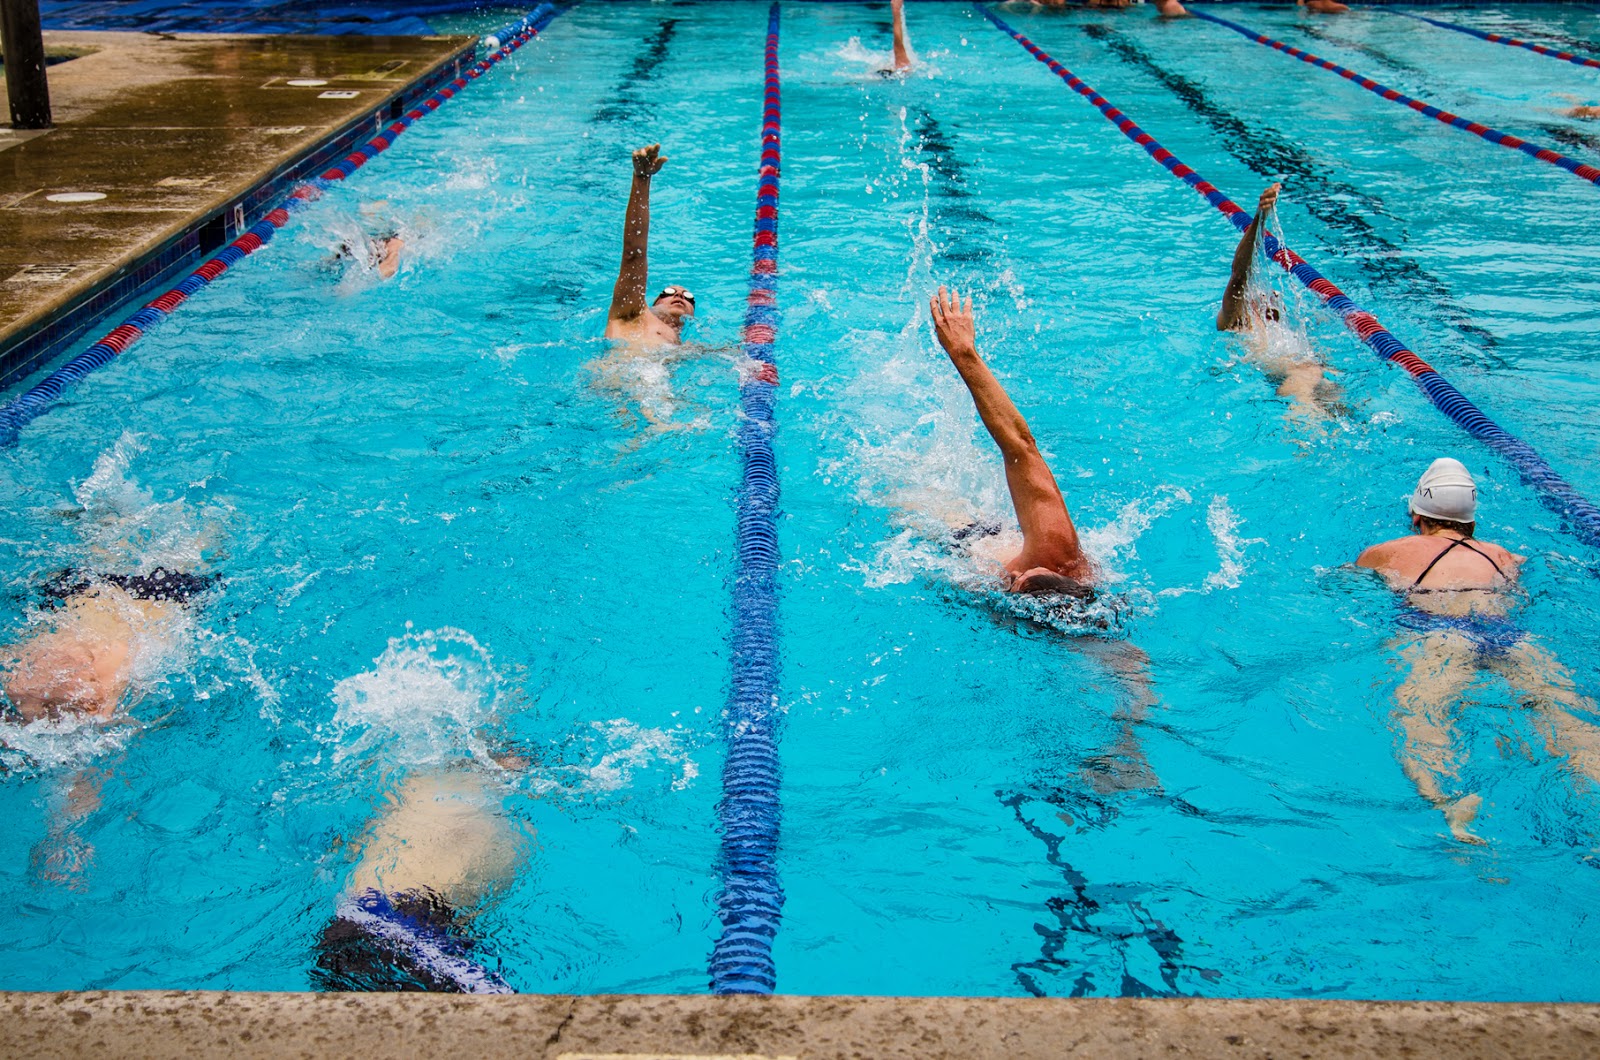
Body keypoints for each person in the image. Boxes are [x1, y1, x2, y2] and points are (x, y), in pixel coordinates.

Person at [1357, 458, 1600, 843]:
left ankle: (1448, 803)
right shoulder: (1504, 555)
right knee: (1571, 721)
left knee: (1421, 717)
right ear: (1472, 521)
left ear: (1417, 516)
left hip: (1442, 634)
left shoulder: (1391, 550)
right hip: (1512, 637)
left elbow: (1344, 583)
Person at [312, 769, 528, 993]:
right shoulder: (514, 829)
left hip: (355, 915)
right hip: (422, 931)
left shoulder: (403, 782)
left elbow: (342, 849)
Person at [1217, 183, 1341, 421]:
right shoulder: (1236, 321)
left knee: (1338, 402)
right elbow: (1239, 274)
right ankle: (1301, 421)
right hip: (1293, 375)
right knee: (1308, 384)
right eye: (1263, 296)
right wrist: (1259, 219)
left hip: (1306, 372)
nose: (1272, 296)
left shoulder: (1284, 327)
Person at [604, 144, 695, 350]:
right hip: (615, 381)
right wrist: (642, 179)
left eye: (689, 297)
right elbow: (633, 255)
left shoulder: (684, 349)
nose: (679, 296)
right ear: (653, 303)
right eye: (668, 292)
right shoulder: (633, 313)